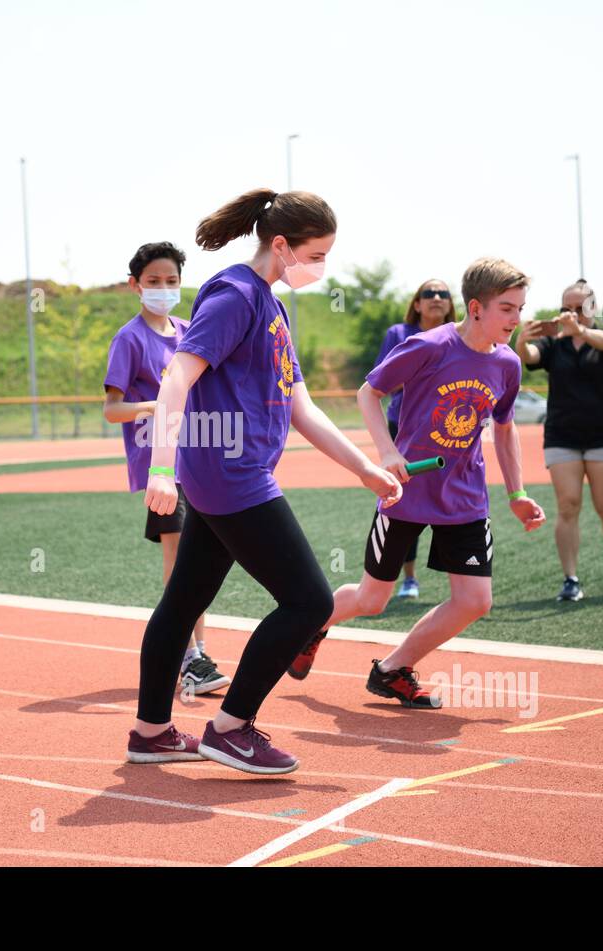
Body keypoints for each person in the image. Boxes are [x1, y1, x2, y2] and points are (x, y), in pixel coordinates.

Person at [125, 188, 401, 775]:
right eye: (316, 255)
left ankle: (150, 732)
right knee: (309, 602)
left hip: (227, 475)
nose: (321, 268)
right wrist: (163, 468)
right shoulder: (234, 295)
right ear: (281, 245)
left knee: (183, 602)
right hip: (230, 476)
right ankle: (230, 728)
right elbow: (176, 378)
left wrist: (366, 468)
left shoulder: (270, 307)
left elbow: (301, 408)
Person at [288, 258, 546, 706]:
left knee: (474, 600)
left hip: (465, 497)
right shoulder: (430, 346)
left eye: (520, 308)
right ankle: (313, 624)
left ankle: (392, 669)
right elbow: (369, 392)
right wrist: (387, 453)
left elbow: (504, 428)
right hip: (405, 493)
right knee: (372, 599)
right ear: (476, 307)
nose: (516, 319)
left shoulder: (507, 364)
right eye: (507, 308)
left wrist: (517, 494)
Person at [103, 241, 230, 696]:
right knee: (179, 559)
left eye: (171, 281)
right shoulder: (129, 338)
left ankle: (198, 653)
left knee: (198, 559)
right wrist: (156, 406)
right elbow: (112, 410)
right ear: (135, 285)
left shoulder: (188, 329)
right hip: (159, 466)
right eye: (153, 282)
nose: (163, 289)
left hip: (197, 458)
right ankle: (188, 657)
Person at [514, 279, 603, 600]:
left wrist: (579, 329)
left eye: (579, 308)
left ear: (593, 308)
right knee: (567, 506)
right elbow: (530, 357)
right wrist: (522, 341)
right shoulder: (557, 346)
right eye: (566, 308)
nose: (572, 314)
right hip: (562, 434)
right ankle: (571, 578)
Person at [374, 279, 458, 599]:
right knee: (400, 500)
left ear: (451, 304)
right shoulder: (399, 334)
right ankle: (406, 578)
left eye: (443, 294)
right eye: (429, 294)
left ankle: (460, 578)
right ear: (418, 304)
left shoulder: (461, 338)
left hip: (447, 434)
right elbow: (384, 379)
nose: (436, 298)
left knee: (447, 499)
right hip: (404, 432)